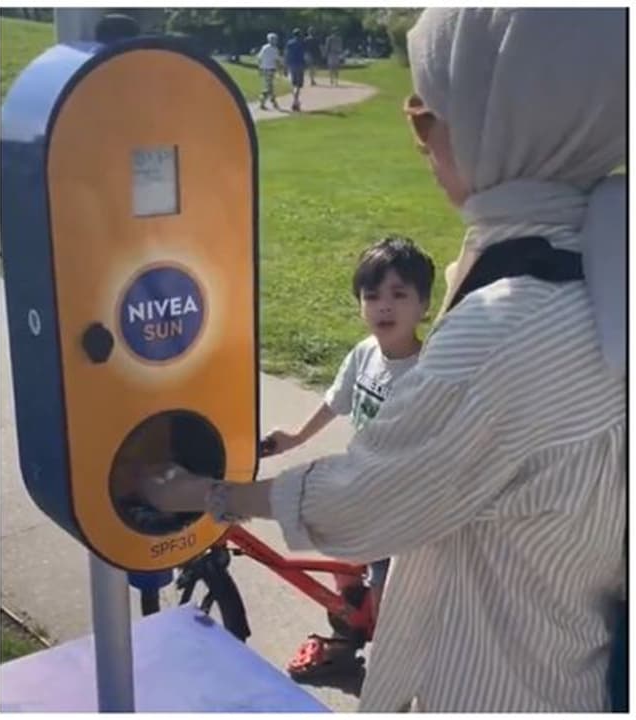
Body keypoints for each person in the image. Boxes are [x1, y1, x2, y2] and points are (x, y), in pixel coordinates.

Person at [139, 7, 625, 712]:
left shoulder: (506, 324)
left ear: (513, 120)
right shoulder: (596, 265)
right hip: (569, 655)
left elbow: (365, 504)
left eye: (433, 111)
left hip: (492, 680)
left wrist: (200, 495)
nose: (420, 133)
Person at [265, 236, 435, 681]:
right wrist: (296, 436)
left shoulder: (426, 373)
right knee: (337, 553)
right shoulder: (365, 353)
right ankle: (350, 625)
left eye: (400, 295)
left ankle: (395, 670)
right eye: (372, 295)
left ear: (425, 305)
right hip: (362, 487)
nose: (384, 306)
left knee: (390, 601)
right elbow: (337, 401)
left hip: (398, 511)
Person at [256, 33, 283, 111]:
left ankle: (273, 102)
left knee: (270, 87)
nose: (275, 41)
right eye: (274, 39)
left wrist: (259, 68)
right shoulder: (274, 49)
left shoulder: (264, 47)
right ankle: (263, 102)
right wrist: (280, 69)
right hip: (269, 69)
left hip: (265, 69)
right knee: (268, 87)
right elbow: (277, 60)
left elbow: (259, 58)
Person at [283, 28, 306, 112]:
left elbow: (286, 55)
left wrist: (285, 67)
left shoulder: (289, 43)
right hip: (300, 64)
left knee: (293, 84)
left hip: (291, 65)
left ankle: (295, 101)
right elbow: (304, 54)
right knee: (298, 85)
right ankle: (295, 102)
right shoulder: (302, 43)